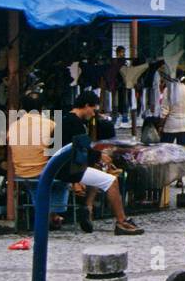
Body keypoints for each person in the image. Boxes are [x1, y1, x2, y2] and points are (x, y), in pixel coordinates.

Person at [59, 93, 143, 235]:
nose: (93, 114)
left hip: (61, 166)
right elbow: (81, 150)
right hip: (69, 169)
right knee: (111, 181)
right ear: (86, 106)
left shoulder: (64, 120)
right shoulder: (77, 124)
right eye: (93, 110)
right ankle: (122, 221)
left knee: (98, 171)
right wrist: (100, 156)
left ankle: (88, 206)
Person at [8, 97, 71, 229]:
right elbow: (56, 151)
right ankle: (53, 213)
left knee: (35, 184)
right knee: (64, 178)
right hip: (43, 173)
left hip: (21, 173)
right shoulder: (50, 124)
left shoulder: (13, 127)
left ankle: (46, 214)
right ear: (42, 108)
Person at [159, 70, 185, 144]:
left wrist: (161, 125)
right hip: (184, 124)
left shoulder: (168, 90)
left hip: (171, 125)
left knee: (166, 149)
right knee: (182, 151)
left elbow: (164, 110)